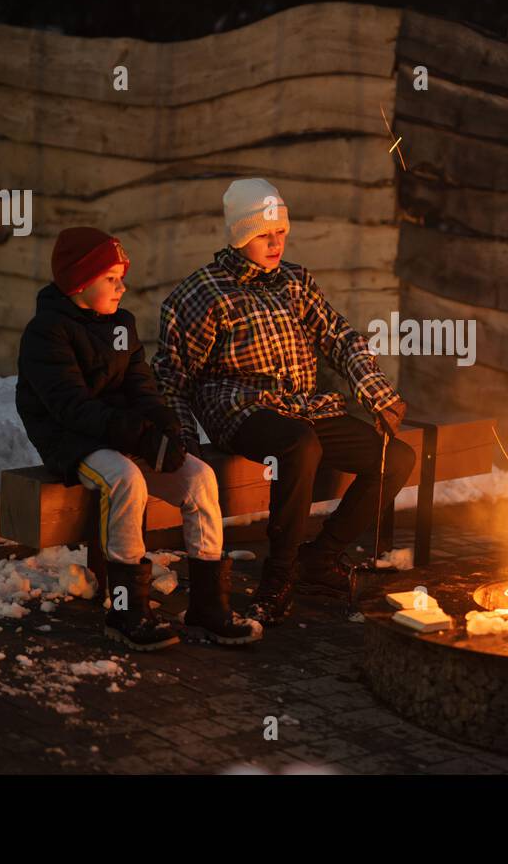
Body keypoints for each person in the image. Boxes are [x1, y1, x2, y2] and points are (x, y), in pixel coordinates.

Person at [153, 178, 415, 625]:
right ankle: (278, 577)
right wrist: (182, 443)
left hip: (300, 407)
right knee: (300, 446)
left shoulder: (294, 281)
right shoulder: (201, 294)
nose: (276, 243)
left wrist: (376, 391)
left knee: (396, 456)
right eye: (263, 235)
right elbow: (171, 375)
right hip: (239, 408)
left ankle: (320, 558)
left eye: (281, 232)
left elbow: (339, 337)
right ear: (239, 236)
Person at [15, 227, 260, 650]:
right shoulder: (46, 333)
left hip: (125, 433)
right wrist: (141, 435)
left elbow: (141, 387)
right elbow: (70, 407)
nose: (122, 286)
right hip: (72, 440)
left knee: (199, 477)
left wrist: (166, 430)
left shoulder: (121, 325)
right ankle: (126, 611)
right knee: (125, 480)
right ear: (80, 282)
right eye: (111, 278)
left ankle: (207, 605)